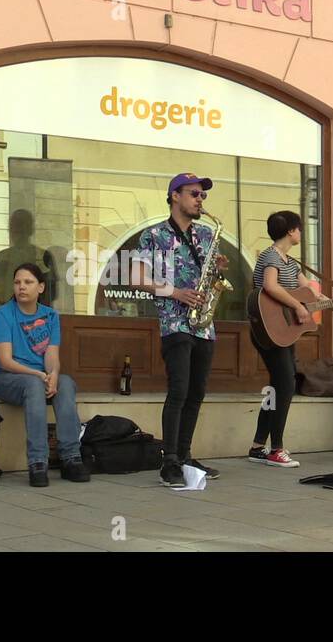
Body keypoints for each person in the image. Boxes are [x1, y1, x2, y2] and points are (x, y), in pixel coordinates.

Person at [132, 173, 228, 487]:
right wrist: (176, 293)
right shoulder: (154, 235)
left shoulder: (204, 234)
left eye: (203, 195)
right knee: (179, 390)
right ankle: (169, 460)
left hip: (203, 324)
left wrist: (217, 271)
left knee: (197, 393)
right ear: (175, 196)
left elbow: (208, 275)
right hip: (175, 322)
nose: (201, 200)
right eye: (195, 194)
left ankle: (185, 455)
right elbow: (137, 278)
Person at [248, 210, 333, 468]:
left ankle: (257, 446)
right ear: (290, 231)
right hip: (268, 328)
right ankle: (276, 449)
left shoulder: (292, 263)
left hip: (283, 330)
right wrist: (297, 305)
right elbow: (271, 286)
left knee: (277, 386)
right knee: (285, 384)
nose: (301, 233)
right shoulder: (271, 256)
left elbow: (313, 295)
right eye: (299, 228)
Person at [0, 263, 90, 487]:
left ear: (41, 287)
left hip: (38, 376)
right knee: (33, 386)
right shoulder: (4, 314)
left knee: (65, 383)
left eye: (28, 282)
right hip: (5, 377)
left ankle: (71, 457)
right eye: (17, 282)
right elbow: (5, 360)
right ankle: (38, 462)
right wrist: (38, 374)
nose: (21, 287)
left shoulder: (51, 316)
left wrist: (52, 374)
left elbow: (52, 354)